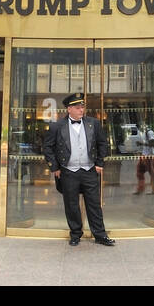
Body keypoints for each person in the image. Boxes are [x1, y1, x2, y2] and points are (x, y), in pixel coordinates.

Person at [43, 92, 115, 246]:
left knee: (94, 204)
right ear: (69, 109)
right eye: (77, 107)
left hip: (89, 170)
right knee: (71, 204)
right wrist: (55, 167)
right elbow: (47, 148)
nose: (81, 110)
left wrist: (100, 163)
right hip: (68, 171)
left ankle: (100, 235)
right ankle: (75, 234)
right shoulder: (57, 126)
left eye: (82, 107)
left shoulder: (93, 123)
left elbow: (103, 143)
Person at [134, 122, 154, 195]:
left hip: (150, 155)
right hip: (145, 155)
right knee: (139, 172)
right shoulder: (143, 133)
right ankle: (141, 189)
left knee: (153, 173)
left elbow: (152, 143)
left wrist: (141, 144)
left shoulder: (150, 132)